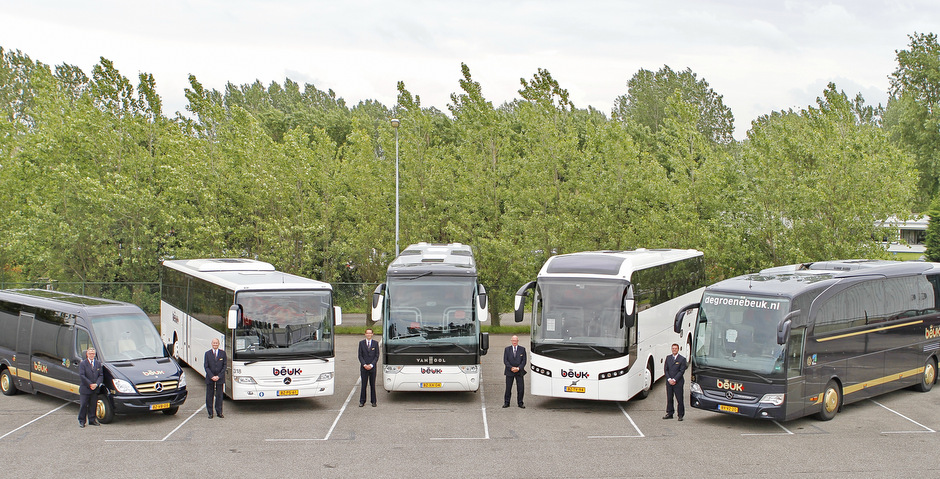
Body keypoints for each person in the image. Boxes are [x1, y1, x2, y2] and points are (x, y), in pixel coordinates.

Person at [78, 347, 103, 428]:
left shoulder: (98, 363)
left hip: (95, 389)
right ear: (87, 354)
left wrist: (96, 384)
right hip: (85, 389)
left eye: (93, 354)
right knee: (83, 405)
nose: (91, 355)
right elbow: (82, 375)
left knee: (93, 405)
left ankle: (92, 420)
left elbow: (101, 375)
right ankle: (82, 421)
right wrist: (90, 384)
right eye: (90, 353)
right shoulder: (83, 363)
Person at [663, 343, 687, 421]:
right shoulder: (668, 358)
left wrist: (674, 380)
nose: (674, 350)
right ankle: (670, 413)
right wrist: (669, 379)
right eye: (673, 348)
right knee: (669, 398)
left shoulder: (682, 359)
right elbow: (666, 369)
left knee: (679, 399)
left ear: (678, 349)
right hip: (669, 382)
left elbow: (681, 371)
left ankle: (680, 415)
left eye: (675, 348)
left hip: (678, 382)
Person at [204, 338, 227, 418]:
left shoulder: (223, 353)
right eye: (214, 343)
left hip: (220, 378)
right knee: (209, 396)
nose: (215, 344)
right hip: (210, 378)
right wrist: (212, 376)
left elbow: (224, 366)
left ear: (219, 344)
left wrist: (219, 376)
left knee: (219, 395)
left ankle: (219, 412)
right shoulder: (207, 354)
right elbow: (206, 366)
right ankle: (210, 413)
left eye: (216, 343)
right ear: (211, 344)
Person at [503, 335, 527, 408]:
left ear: (518, 341)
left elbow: (524, 361)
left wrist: (518, 368)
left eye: (515, 340)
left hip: (519, 372)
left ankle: (520, 403)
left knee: (520, 388)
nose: (514, 342)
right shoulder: (507, 349)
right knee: (508, 388)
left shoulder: (522, 349)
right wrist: (511, 368)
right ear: (511, 341)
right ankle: (507, 402)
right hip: (509, 371)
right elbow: (505, 360)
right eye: (513, 340)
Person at [358, 328, 380, 407]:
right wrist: (364, 365)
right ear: (365, 334)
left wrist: (371, 365)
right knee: (363, 385)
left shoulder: (375, 343)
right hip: (364, 368)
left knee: (372, 385)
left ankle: (373, 401)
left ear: (372, 334)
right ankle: (362, 401)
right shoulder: (361, 343)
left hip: (372, 368)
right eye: (367, 333)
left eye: (370, 333)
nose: (368, 335)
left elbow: (377, 355)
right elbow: (360, 356)